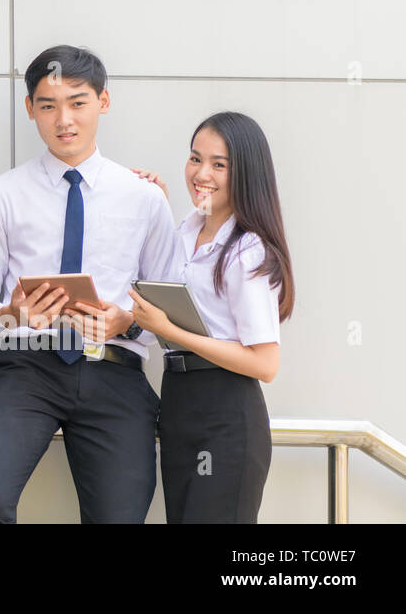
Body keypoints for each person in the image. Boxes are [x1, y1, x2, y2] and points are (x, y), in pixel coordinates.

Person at [0, 44, 179, 524]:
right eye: (48, 105)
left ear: (103, 102)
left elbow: (169, 309)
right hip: (25, 369)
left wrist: (130, 322)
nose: (64, 120)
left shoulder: (144, 198)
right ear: (30, 109)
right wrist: (12, 315)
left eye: (78, 102)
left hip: (115, 371)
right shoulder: (2, 194)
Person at [128, 111, 294, 523]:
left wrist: (169, 331)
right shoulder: (187, 228)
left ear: (245, 173)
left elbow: (265, 363)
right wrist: (157, 201)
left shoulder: (247, 250)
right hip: (181, 406)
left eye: (219, 165)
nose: (202, 173)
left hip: (226, 414)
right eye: (195, 158)